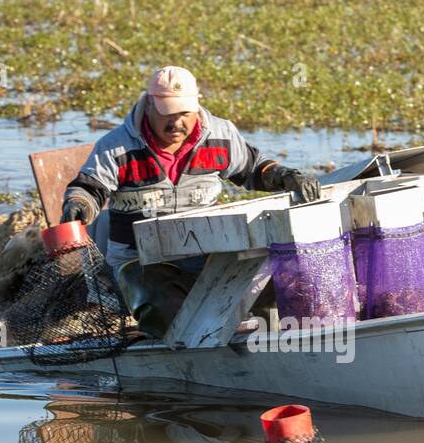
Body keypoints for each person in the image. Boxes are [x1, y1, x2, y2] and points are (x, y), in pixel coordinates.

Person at [60, 66, 322, 335]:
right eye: (167, 114)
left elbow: (254, 169)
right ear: (149, 104)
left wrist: (287, 176)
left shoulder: (220, 134)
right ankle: (173, 346)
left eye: (184, 113)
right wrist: (78, 205)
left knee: (277, 281)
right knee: (165, 307)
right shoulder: (115, 146)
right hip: (140, 262)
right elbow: (89, 188)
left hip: (209, 254)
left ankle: (270, 343)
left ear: (196, 105)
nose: (176, 124)